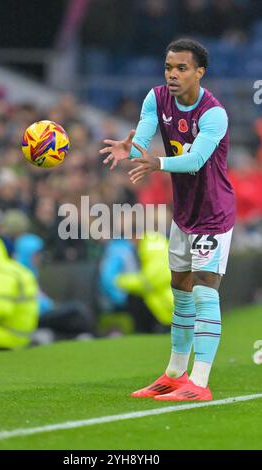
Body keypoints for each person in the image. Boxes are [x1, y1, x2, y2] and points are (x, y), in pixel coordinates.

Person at [100, 38, 235, 401]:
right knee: (181, 294)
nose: (172, 74)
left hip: (214, 214)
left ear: (200, 72)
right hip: (184, 213)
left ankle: (200, 383)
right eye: (168, 67)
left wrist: (156, 162)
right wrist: (133, 147)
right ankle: (175, 374)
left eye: (181, 68)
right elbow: (144, 131)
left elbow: (194, 161)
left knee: (206, 292)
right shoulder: (156, 97)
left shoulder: (213, 113)